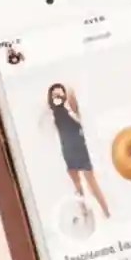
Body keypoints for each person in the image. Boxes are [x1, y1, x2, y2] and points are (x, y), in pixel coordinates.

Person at [48, 84, 110, 218]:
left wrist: (67, 104)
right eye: (55, 95)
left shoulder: (72, 110)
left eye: (60, 95)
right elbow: (48, 129)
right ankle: (84, 213)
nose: (58, 98)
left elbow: (81, 121)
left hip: (80, 149)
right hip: (67, 151)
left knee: (91, 182)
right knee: (77, 186)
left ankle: (105, 211)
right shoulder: (53, 116)